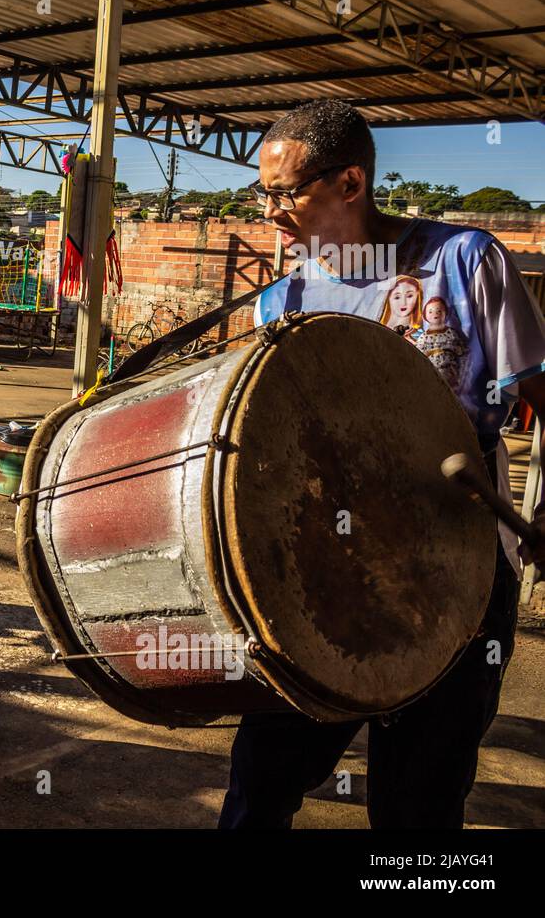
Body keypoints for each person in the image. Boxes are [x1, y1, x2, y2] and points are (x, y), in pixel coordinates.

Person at [229, 98, 545, 828]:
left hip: (458, 573)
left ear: (350, 184)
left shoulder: (464, 262)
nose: (270, 209)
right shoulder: (282, 302)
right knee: (263, 772)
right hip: (326, 576)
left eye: (286, 192)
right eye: (263, 192)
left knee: (416, 805)